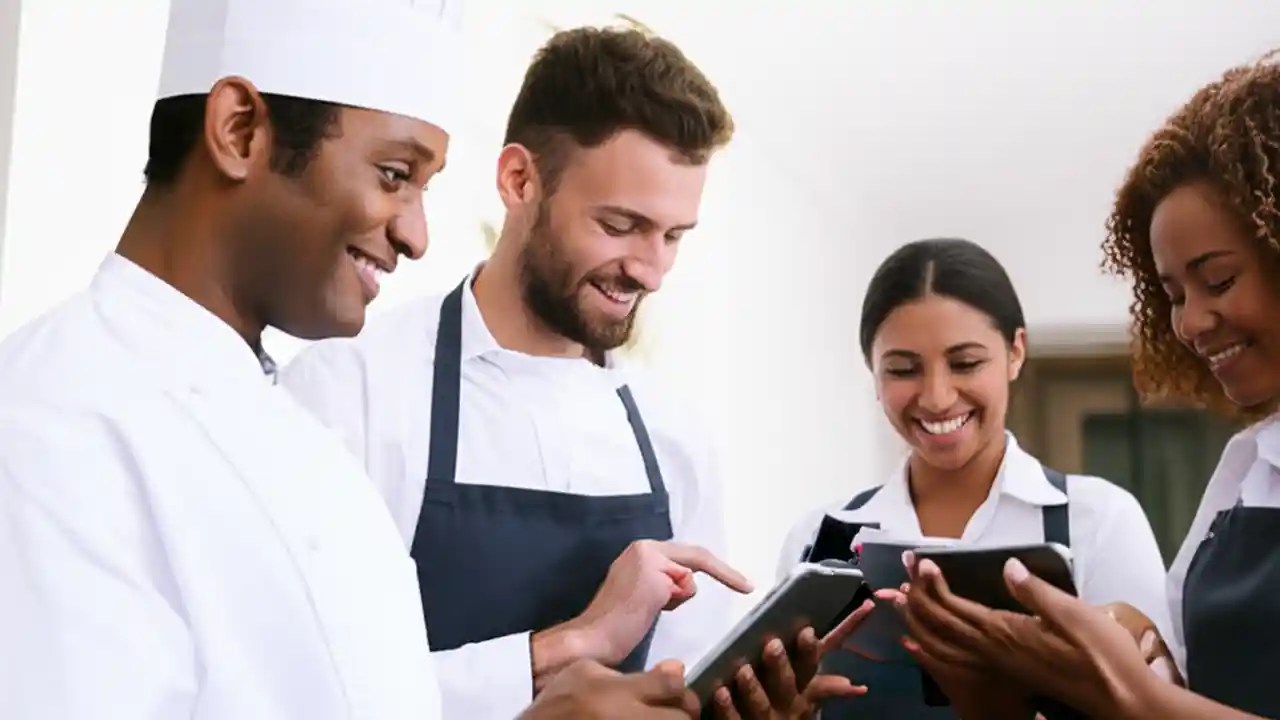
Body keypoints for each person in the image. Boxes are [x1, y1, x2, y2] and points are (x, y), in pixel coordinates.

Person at [0, 1, 705, 717]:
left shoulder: (295, 442)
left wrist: (558, 665)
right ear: (239, 130)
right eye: (395, 174)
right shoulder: (49, 428)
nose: (417, 234)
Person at [281, 24, 866, 720]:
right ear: (519, 179)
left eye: (673, 236)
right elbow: (302, 689)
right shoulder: (349, 396)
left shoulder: (672, 436)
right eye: (620, 226)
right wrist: (563, 649)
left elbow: (686, 686)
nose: (650, 269)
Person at [890, 50, 1280, 720]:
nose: (1188, 322)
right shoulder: (1248, 471)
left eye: (1217, 281)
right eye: (1172, 293)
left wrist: (1133, 697)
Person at [776, 238, 1170, 718]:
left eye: (965, 363)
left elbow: (1156, 706)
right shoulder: (820, 538)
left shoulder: (1099, 520)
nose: (938, 397)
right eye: (903, 369)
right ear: (872, 373)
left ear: (1015, 352)